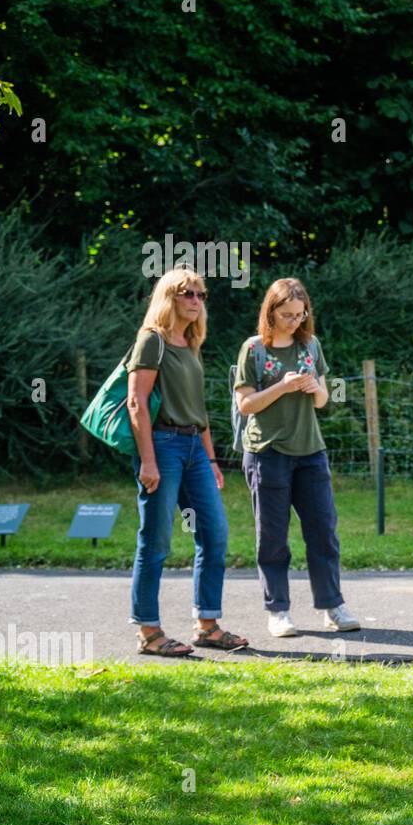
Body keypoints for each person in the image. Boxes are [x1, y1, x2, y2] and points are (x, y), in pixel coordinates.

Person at [127, 268, 249, 656]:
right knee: (156, 540)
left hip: (196, 450)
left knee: (214, 535)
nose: (196, 301)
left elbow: (200, 410)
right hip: (162, 446)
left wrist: (211, 459)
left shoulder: (191, 343)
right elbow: (137, 403)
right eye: (187, 294)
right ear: (169, 298)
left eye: (200, 294)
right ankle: (149, 631)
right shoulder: (152, 341)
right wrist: (148, 460)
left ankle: (207, 625)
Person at [234, 277, 359, 637]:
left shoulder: (311, 344)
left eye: (300, 315)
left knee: (323, 533)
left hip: (311, 452)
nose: (294, 322)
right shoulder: (254, 349)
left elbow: (322, 401)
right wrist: (283, 386)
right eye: (287, 315)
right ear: (270, 311)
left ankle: (332, 606)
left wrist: (313, 387)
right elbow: (246, 404)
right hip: (267, 453)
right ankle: (278, 610)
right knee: (273, 536)